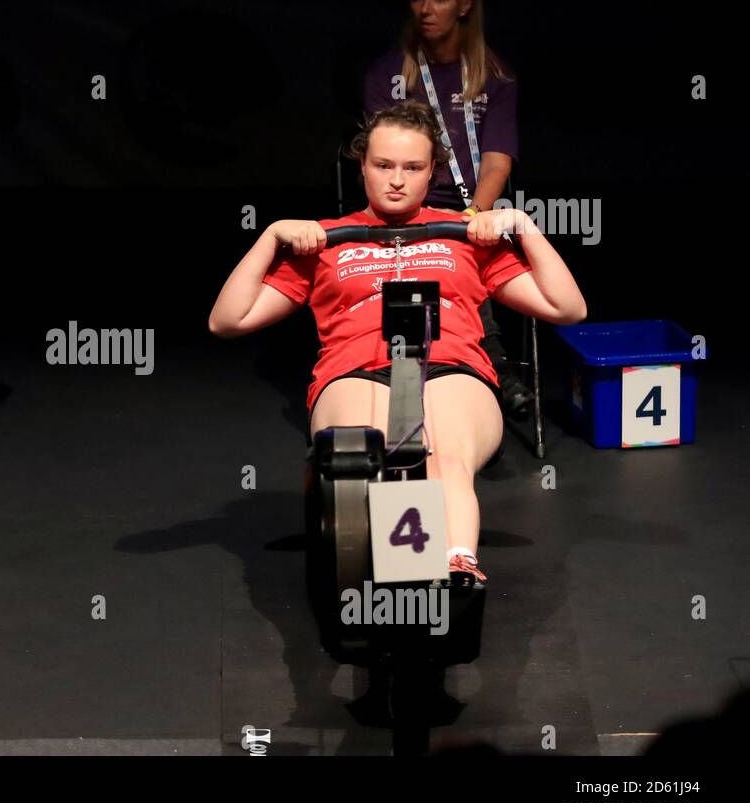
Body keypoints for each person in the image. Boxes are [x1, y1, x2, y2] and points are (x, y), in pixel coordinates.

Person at [208, 101, 586, 581]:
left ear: (432, 173)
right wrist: (271, 237)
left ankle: (454, 566)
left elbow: (568, 308)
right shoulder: (324, 241)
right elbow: (227, 320)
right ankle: (390, 564)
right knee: (371, 451)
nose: (396, 179)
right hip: (355, 370)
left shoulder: (465, 238)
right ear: (362, 165)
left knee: (442, 451)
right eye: (383, 165)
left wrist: (523, 227)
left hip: (453, 367)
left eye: (413, 167)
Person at [363, 0, 535, 419]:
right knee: (437, 250)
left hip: (470, 207)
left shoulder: (493, 75)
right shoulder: (388, 75)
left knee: (459, 248)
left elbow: (498, 162)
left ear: (464, 4)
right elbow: (380, 161)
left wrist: (473, 217)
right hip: (402, 209)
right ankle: (496, 368)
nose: (426, 8)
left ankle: (473, 367)